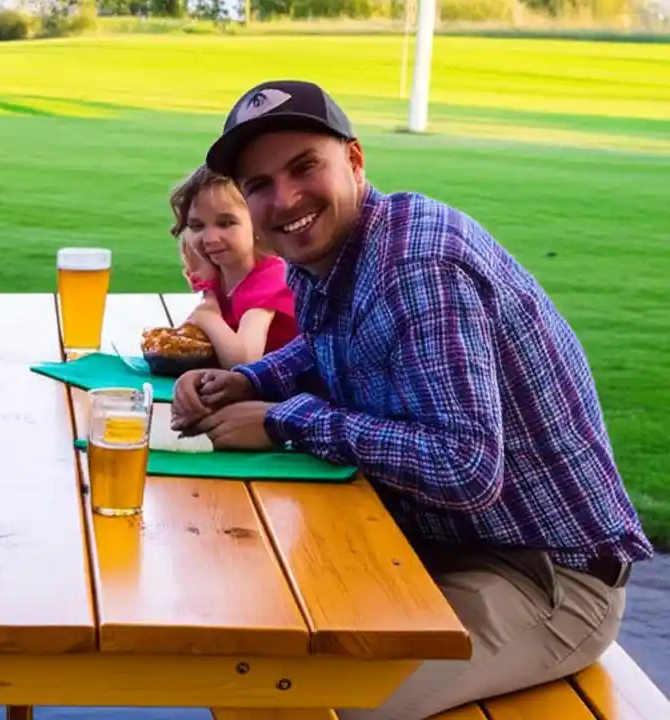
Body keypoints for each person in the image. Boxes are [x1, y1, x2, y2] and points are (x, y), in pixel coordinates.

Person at [171, 79, 653, 719]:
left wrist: (287, 421)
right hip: (440, 545)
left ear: (355, 159)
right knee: (246, 639)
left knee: (327, 702)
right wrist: (251, 381)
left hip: (549, 577)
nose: (284, 199)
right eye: (259, 185)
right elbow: (328, 343)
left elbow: (467, 467)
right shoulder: (341, 251)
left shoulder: (419, 264)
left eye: (303, 167)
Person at [169, 165, 297, 366]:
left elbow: (245, 361)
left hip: (291, 388)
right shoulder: (216, 275)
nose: (210, 238)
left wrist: (207, 317)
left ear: (257, 222)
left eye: (226, 223)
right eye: (197, 226)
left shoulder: (270, 278)